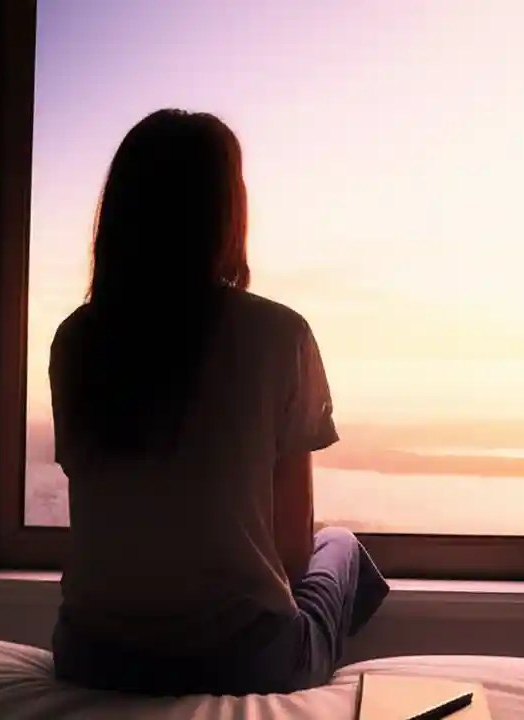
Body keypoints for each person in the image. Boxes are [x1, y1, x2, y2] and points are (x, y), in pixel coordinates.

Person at [48, 109, 389, 697]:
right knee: (341, 545)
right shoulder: (279, 335)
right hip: (240, 663)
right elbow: (291, 553)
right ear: (228, 212)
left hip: (92, 655)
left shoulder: (76, 340)